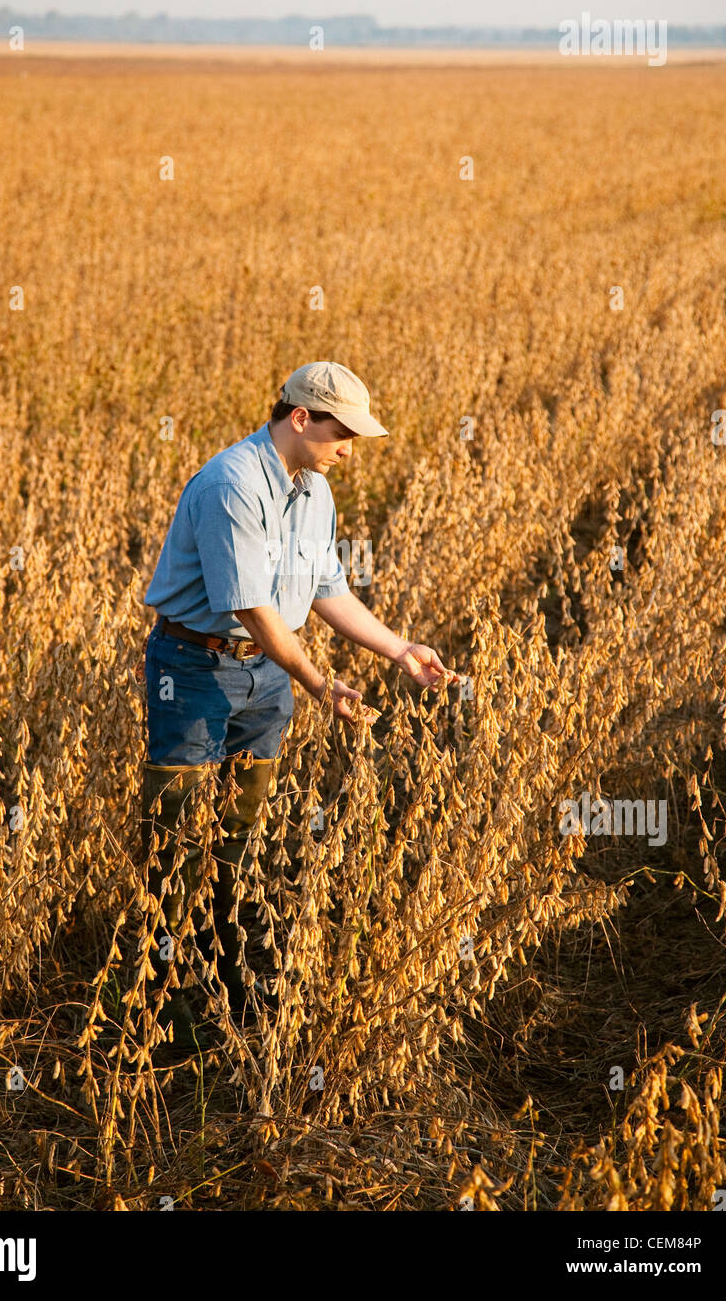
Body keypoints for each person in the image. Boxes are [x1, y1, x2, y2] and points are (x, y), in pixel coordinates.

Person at [139, 361, 460, 1050]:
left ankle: (223, 979)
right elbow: (252, 608)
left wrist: (399, 649)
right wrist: (320, 683)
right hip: (193, 671)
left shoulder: (313, 490)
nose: (351, 450)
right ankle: (160, 1010)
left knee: (236, 838)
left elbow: (323, 589)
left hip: (267, 681)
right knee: (176, 844)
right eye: (343, 434)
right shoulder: (232, 483)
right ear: (301, 419)